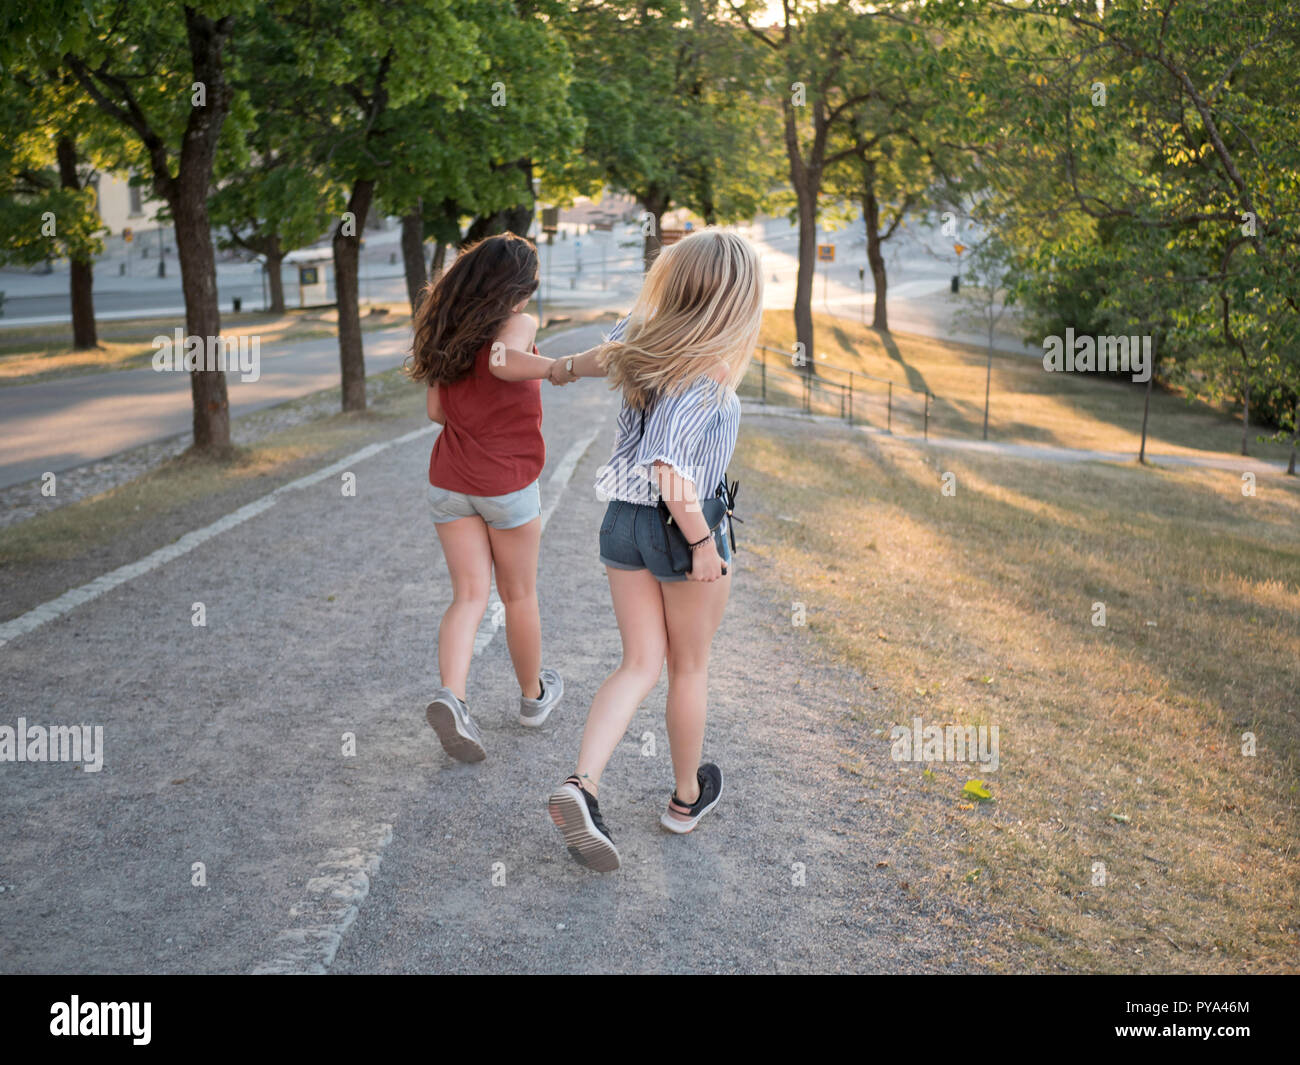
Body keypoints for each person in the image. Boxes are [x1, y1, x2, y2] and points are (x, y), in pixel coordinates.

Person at [544, 228, 763, 871]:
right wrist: (702, 543)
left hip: (622, 521)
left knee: (638, 662)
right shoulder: (707, 369)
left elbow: (599, 358)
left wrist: (557, 368)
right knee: (688, 668)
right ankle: (686, 799)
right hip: (680, 525)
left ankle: (582, 784)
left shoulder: (641, 336)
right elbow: (667, 466)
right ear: (736, 300)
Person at [406, 233, 576, 762]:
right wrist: (554, 368)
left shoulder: (445, 328)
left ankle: (453, 697)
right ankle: (533, 698)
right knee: (518, 595)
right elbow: (502, 362)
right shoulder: (517, 324)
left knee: (468, 596)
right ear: (517, 289)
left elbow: (436, 413)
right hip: (505, 482)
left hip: (449, 480)